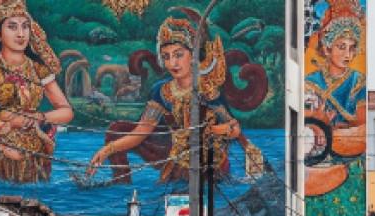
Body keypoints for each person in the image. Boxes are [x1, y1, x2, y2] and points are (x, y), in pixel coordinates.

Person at [85, 9, 266, 184]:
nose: (173, 63)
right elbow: (141, 133)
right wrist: (108, 149)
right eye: (166, 56)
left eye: (179, 55)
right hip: (177, 161)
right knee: (117, 130)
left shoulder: (207, 89)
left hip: (209, 165)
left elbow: (234, 128)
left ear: (193, 56)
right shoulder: (162, 91)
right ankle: (121, 189)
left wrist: (211, 130)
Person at [0, 0, 73, 183]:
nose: (21, 34)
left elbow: (66, 111)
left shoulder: (38, 69)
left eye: (25, 27)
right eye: (12, 27)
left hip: (35, 156)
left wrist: (40, 117)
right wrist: (6, 120)